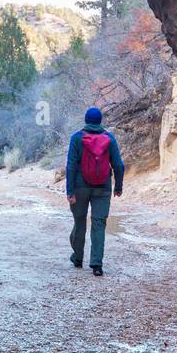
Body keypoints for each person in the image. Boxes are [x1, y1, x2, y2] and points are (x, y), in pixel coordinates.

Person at [65, 107, 125, 277]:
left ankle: (77, 257)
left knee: (79, 222)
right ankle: (96, 265)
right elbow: (119, 165)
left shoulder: (77, 138)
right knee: (99, 225)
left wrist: (70, 190)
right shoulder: (109, 138)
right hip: (103, 188)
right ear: (100, 121)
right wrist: (118, 186)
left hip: (79, 187)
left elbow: (70, 166)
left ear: (85, 120)